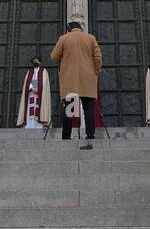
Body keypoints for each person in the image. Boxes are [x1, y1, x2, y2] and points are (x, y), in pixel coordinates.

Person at [51, 21, 102, 149]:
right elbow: (98, 58)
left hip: (70, 80)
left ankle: (66, 136)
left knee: (70, 109)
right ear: (80, 28)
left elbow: (54, 57)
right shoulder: (90, 38)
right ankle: (90, 135)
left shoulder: (64, 38)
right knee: (89, 109)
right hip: (87, 80)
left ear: (69, 29)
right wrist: (95, 71)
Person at [15, 56, 51, 129]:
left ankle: (39, 126)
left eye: (37, 61)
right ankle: (29, 126)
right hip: (31, 94)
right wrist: (31, 88)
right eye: (34, 61)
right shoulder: (30, 71)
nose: (36, 62)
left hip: (40, 95)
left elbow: (45, 83)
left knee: (38, 110)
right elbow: (27, 82)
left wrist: (39, 89)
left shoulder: (43, 71)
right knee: (30, 110)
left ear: (40, 62)